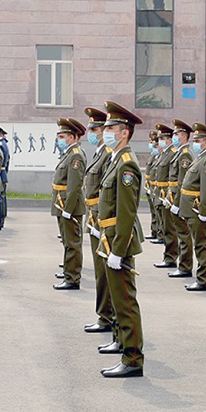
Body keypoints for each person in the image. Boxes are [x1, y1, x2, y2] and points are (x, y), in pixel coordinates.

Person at [97, 101, 145, 378]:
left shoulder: (126, 164)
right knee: (119, 301)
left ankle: (133, 359)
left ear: (124, 132)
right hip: (110, 238)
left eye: (111, 128)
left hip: (118, 242)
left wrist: (118, 250)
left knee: (126, 303)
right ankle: (123, 346)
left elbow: (126, 212)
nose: (106, 133)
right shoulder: (116, 159)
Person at [81, 108, 115, 335]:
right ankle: (104, 314)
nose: (91, 133)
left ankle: (106, 317)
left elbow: (107, 193)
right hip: (94, 216)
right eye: (90, 129)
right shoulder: (100, 153)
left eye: (95, 129)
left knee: (104, 272)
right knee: (99, 271)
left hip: (101, 219)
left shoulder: (108, 154)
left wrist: (99, 221)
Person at [179, 123, 206, 291]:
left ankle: (203, 280)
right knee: (199, 244)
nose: (194, 143)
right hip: (193, 209)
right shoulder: (201, 158)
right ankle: (202, 278)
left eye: (198, 140)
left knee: (202, 245)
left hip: (198, 210)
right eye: (194, 140)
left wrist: (204, 212)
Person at [52, 118, 87, 291]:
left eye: (62, 136)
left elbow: (74, 186)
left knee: (72, 243)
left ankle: (72, 278)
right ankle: (68, 271)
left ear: (72, 137)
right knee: (67, 241)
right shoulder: (69, 153)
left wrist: (68, 209)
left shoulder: (75, 156)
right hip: (62, 204)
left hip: (69, 206)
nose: (59, 139)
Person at [166, 119, 194, 279]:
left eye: (176, 134)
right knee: (180, 233)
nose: (174, 137)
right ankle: (182, 264)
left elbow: (182, 182)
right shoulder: (179, 153)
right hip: (174, 198)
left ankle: (185, 266)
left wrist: (177, 204)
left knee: (183, 235)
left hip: (180, 200)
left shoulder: (185, 154)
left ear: (184, 137)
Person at [152, 124, 179, 268]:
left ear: (169, 139)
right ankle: (168, 256)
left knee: (170, 229)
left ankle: (171, 257)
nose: (160, 141)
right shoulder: (164, 154)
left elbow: (172, 178)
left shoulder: (172, 153)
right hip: (161, 194)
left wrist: (170, 197)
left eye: (162, 138)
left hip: (167, 195)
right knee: (164, 226)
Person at [144, 130, 162, 242]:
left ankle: (160, 234)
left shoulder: (161, 156)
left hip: (157, 187)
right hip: (151, 186)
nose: (152, 145)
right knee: (153, 211)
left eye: (154, 144)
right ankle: (154, 231)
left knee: (158, 212)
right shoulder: (153, 156)